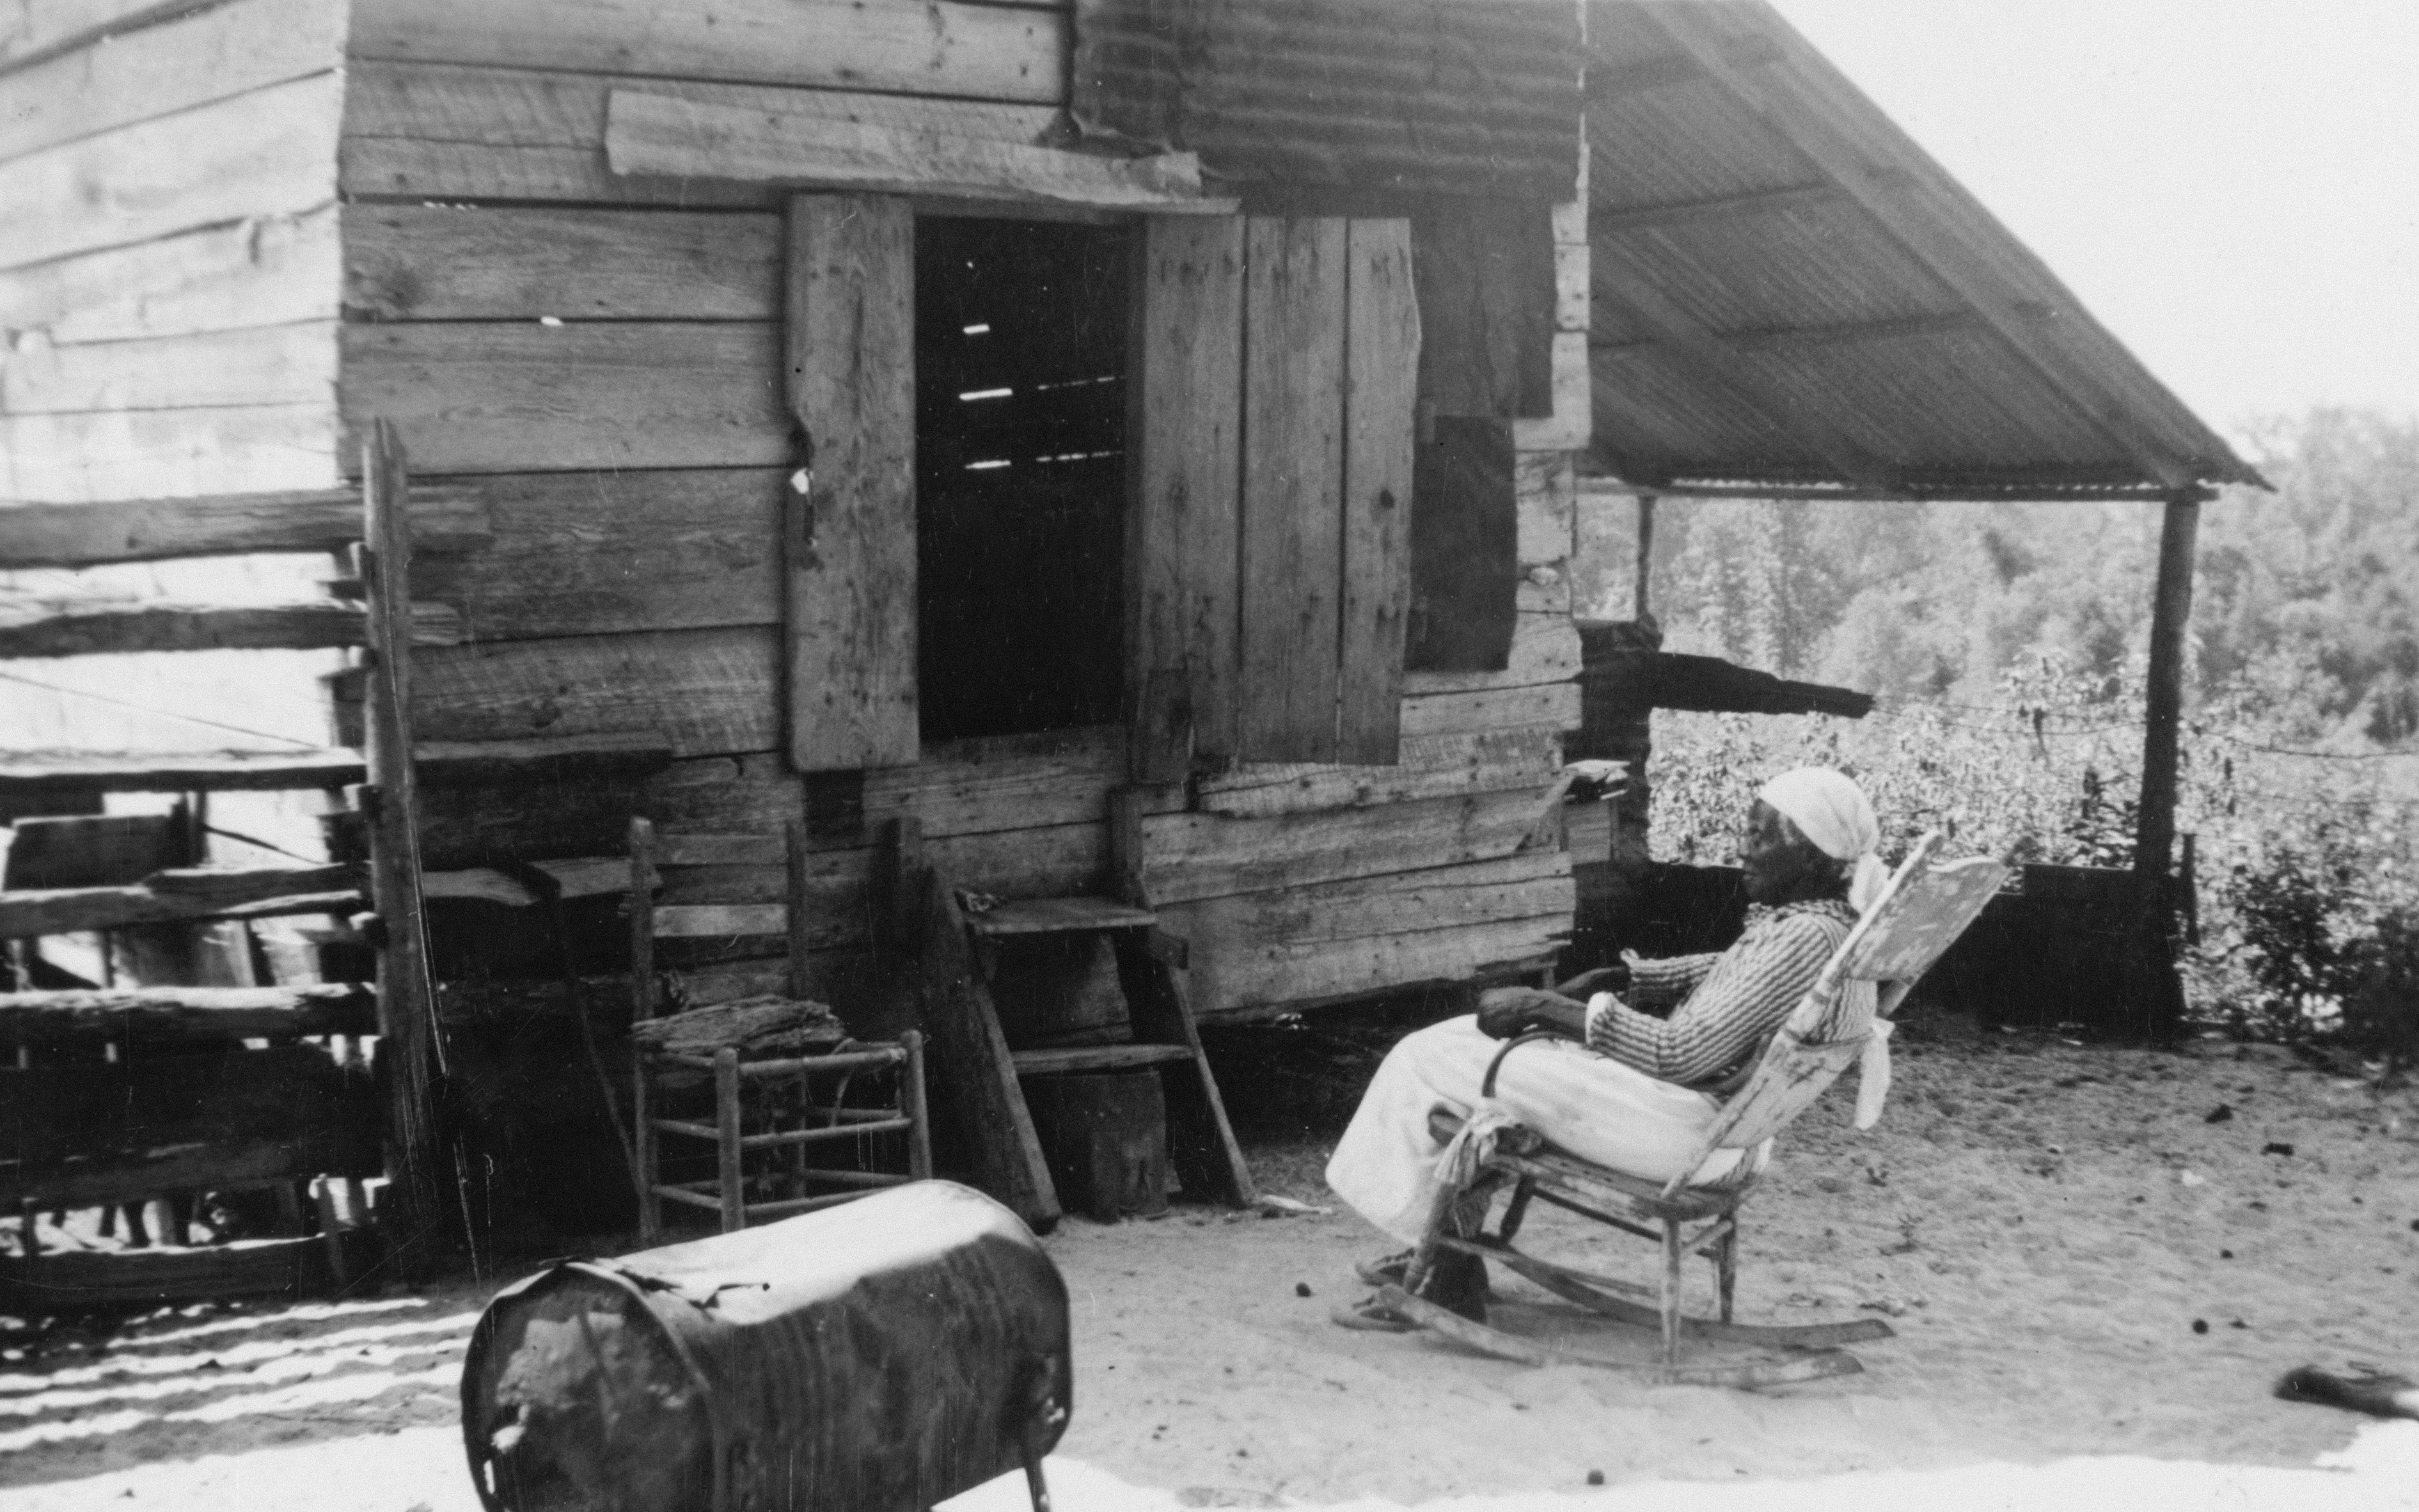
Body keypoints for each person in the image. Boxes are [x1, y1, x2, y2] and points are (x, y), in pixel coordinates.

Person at [1325, 767, 1891, 1328]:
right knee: (1459, 1043)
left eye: (1759, 836)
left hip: (1683, 1134)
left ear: (1814, 854)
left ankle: (1445, 1271)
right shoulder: (1830, 928)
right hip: (1724, 1134)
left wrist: (1546, 1008)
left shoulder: (1804, 937)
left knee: (1427, 1058)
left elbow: (1678, 1054)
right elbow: (1731, 973)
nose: (1744, 848)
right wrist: (1626, 979)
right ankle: (1444, 1253)